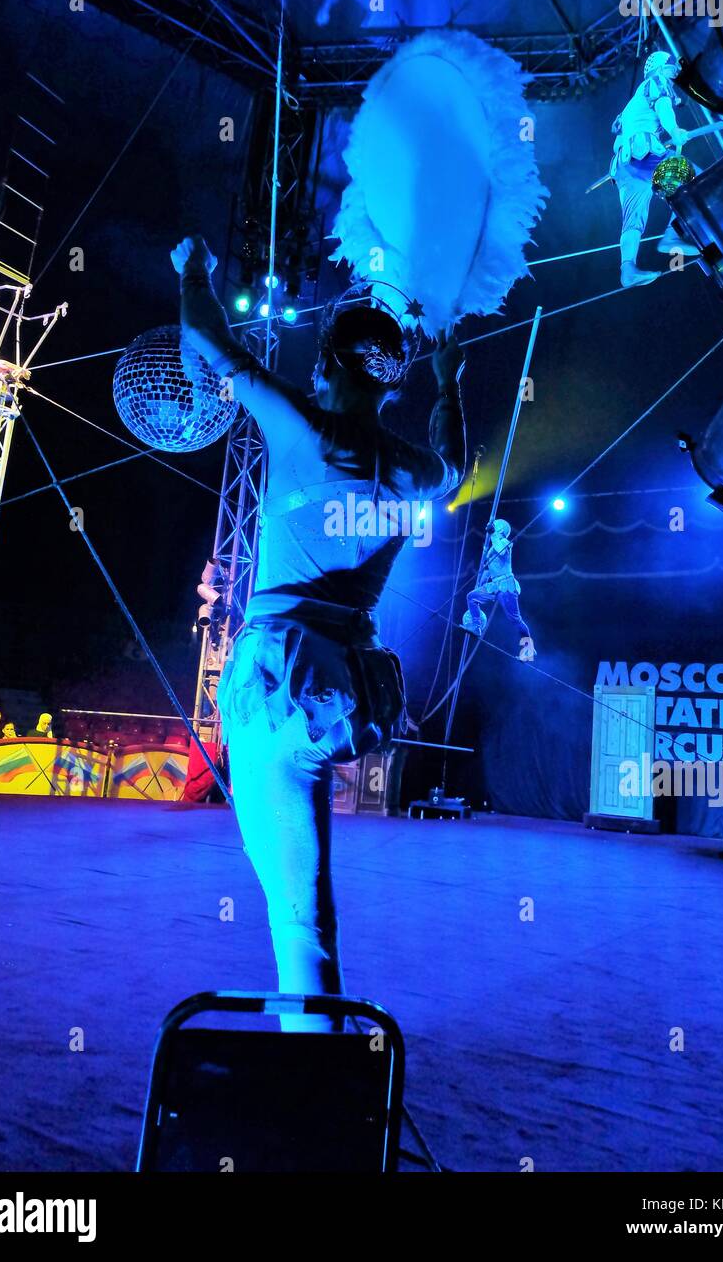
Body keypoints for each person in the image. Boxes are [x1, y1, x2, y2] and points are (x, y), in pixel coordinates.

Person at [172, 234, 466, 1029]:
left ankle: (316, 1068)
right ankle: (315, 1048)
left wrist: (192, 269)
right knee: (286, 881)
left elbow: (205, 338)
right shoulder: (411, 469)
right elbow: (458, 462)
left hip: (280, 677)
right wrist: (451, 382)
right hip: (340, 687)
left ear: (330, 364)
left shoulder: (306, 429)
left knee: (297, 910)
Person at [610, 50, 698, 288]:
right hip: (642, 154)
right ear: (660, 68)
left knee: (634, 219)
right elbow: (664, 108)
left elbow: (618, 136)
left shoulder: (629, 109)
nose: (674, 75)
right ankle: (673, 235)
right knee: (695, 178)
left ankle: (627, 269)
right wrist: (675, 131)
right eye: (671, 70)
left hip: (623, 167)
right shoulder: (656, 82)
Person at [463, 518, 535, 659]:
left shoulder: (505, 543)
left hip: (506, 585)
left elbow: (500, 552)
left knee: (515, 620)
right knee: (472, 597)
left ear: (500, 530)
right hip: (494, 585)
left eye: (494, 527)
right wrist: (480, 584)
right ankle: (476, 626)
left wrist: (494, 534)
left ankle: (529, 650)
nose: (491, 528)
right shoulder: (491, 548)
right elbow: (488, 571)